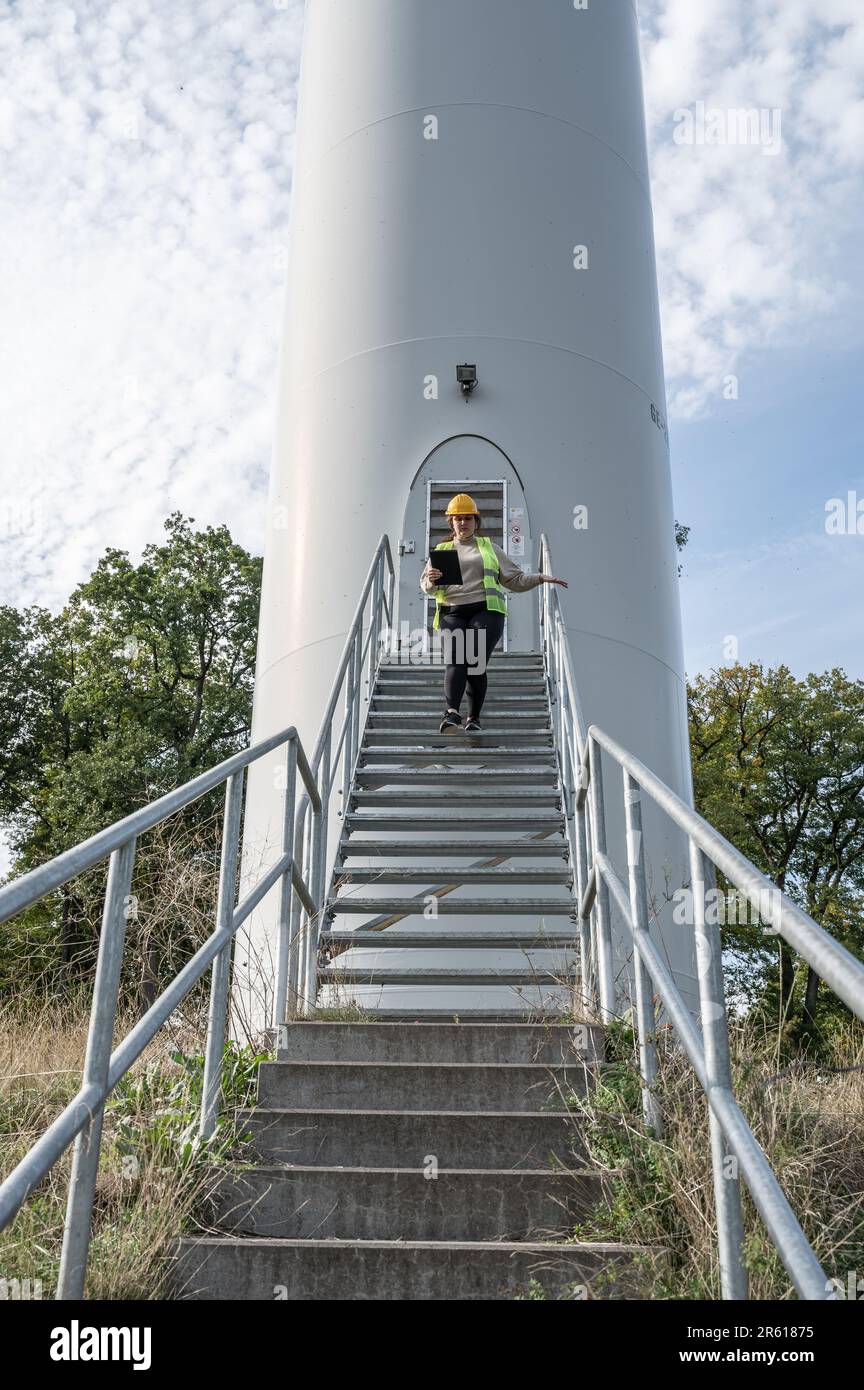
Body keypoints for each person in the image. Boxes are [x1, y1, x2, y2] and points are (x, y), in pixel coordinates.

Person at [419, 493, 569, 733]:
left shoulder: (490, 548)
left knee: (474, 661)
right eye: (458, 519)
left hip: (486, 610)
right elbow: (427, 587)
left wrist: (541, 578)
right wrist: (431, 580)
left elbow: (515, 579)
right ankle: (452, 714)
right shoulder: (442, 549)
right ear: (451, 522)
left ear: (476, 522)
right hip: (452, 612)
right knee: (456, 659)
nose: (463, 523)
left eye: (468, 518)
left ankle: (474, 717)